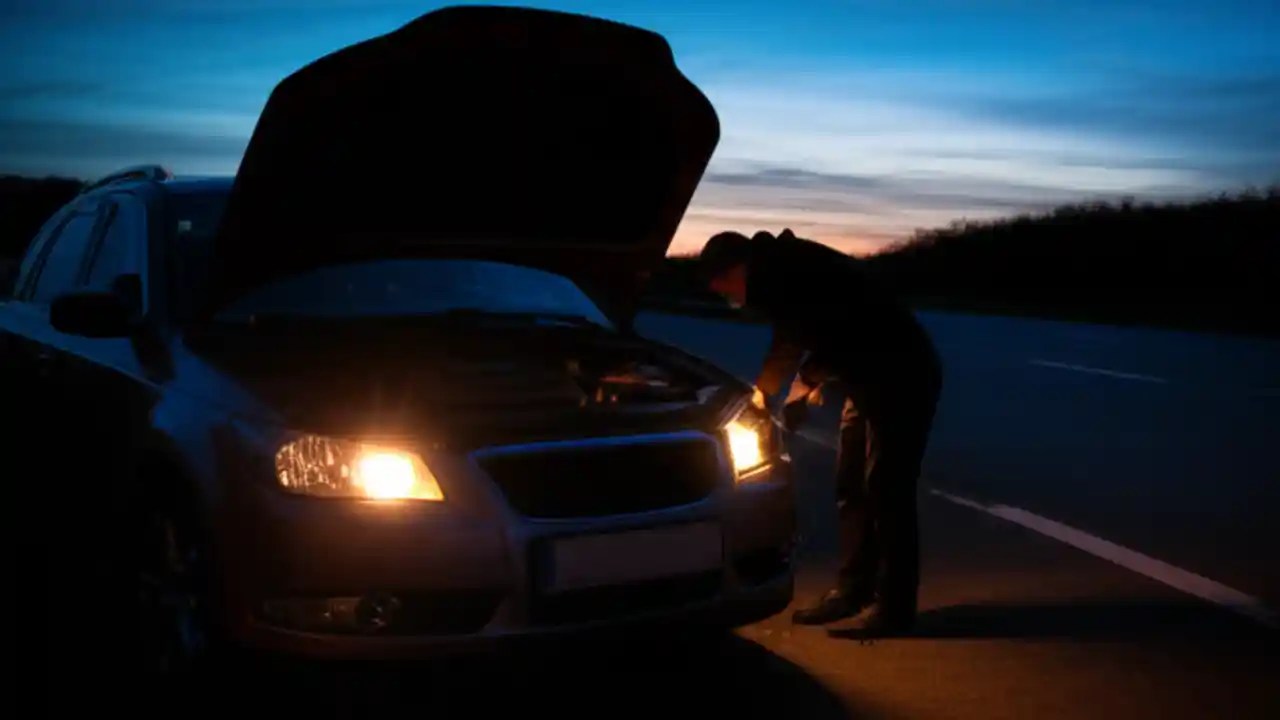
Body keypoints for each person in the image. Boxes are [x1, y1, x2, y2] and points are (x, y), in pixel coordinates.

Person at [700, 229, 942, 636]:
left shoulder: (793, 271)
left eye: (725, 289)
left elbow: (846, 330)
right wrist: (766, 391)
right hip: (865, 377)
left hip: (902, 374)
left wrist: (804, 383)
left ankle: (895, 608)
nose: (730, 299)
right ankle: (852, 590)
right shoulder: (779, 273)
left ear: (737, 269)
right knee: (851, 482)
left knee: (886, 488)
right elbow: (790, 339)